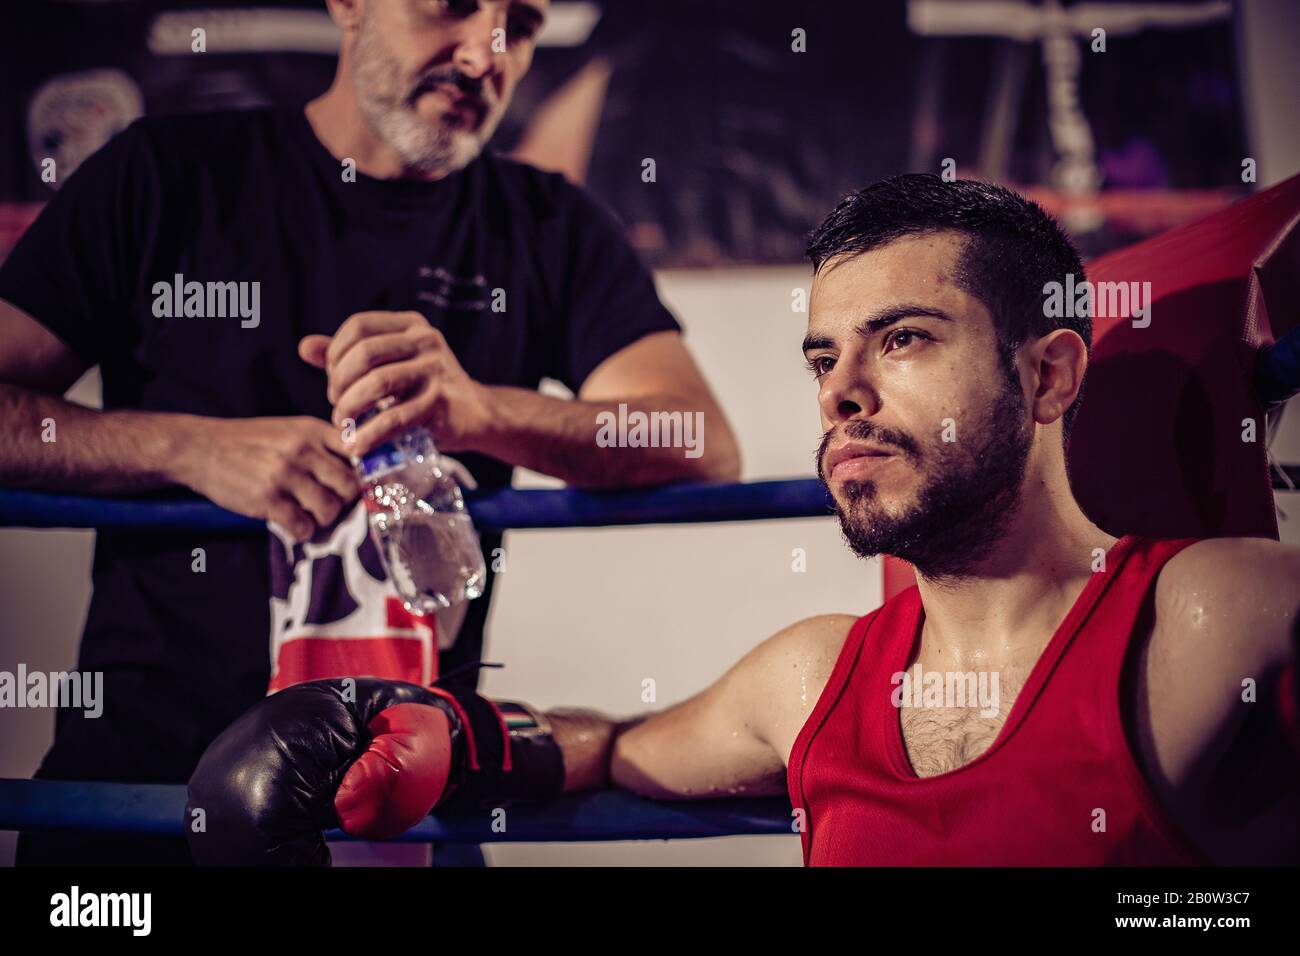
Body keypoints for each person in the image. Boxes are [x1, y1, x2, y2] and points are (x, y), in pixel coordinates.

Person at [189, 175, 1300, 866]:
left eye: (902, 338)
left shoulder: (1212, 614)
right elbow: (614, 748)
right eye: (824, 356)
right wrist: (460, 734)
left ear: (1049, 373)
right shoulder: (811, 679)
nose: (840, 392)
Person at [0, 0, 739, 865]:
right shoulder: (167, 174)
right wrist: (186, 447)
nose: (484, 54)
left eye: (524, 21)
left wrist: (481, 412)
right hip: (143, 801)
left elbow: (699, 441)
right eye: (454, 5)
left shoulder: (547, 224)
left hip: (411, 802)